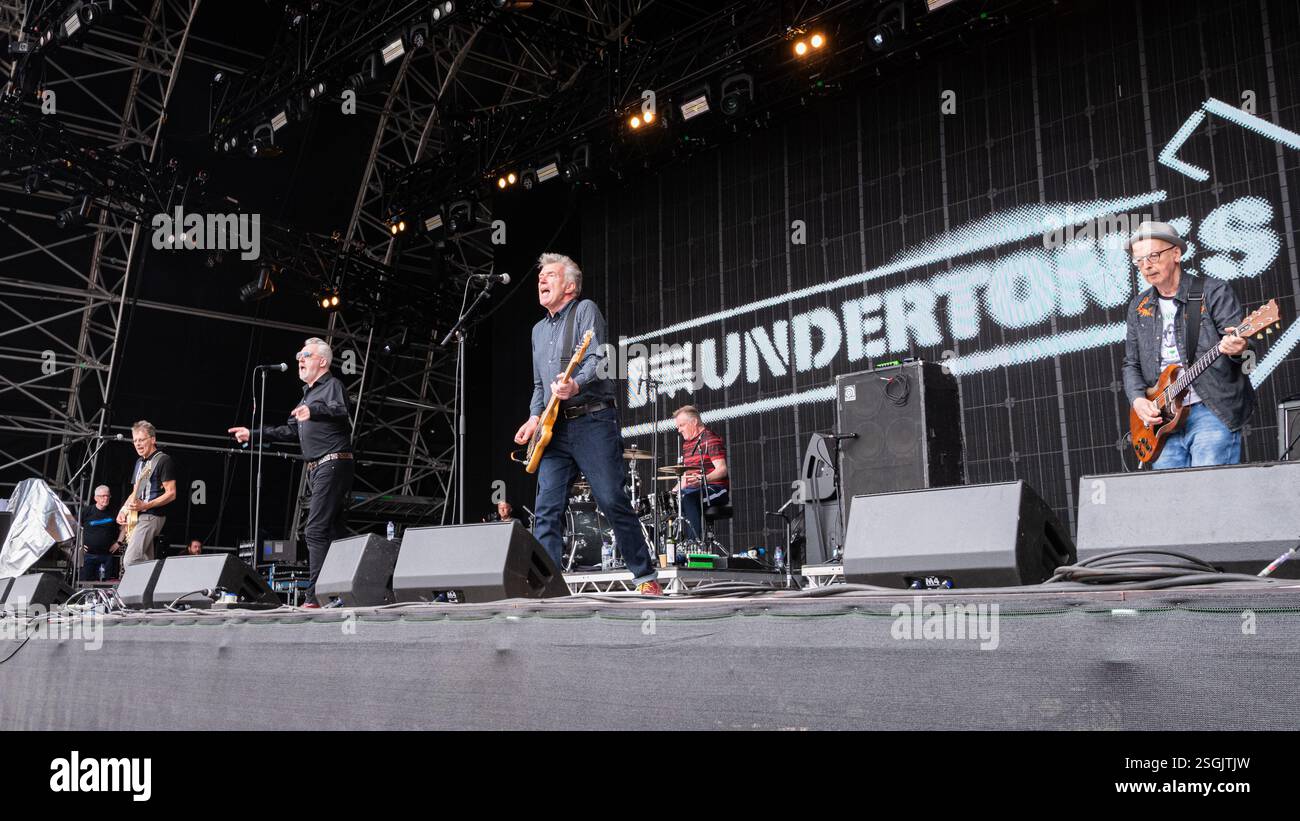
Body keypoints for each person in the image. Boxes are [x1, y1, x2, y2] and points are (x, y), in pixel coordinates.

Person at [513, 252, 662, 595]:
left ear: (569, 286)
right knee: (546, 510)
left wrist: (575, 385)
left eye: (549, 275)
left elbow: (600, 358)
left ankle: (644, 576)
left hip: (592, 420)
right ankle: (548, 589)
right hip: (554, 429)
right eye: (540, 277)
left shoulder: (584, 310)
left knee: (611, 499)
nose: (542, 280)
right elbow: (540, 385)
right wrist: (535, 418)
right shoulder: (537, 331)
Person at [228, 337, 353, 608]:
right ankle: (359, 581)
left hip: (333, 462)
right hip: (318, 468)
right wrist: (254, 434)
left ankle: (315, 597)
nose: (300, 359)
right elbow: (289, 431)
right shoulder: (306, 394)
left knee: (315, 530)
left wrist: (314, 410)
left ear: (322, 361)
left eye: (306, 354)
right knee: (334, 532)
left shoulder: (332, 386)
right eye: (299, 355)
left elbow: (340, 410)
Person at [1122, 221, 1255, 469]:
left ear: (1176, 253)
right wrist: (1138, 400)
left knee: (1211, 497)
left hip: (1211, 411)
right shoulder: (1138, 307)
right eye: (1139, 261)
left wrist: (1240, 350)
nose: (1146, 266)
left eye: (1153, 255)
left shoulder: (1213, 292)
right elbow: (1131, 363)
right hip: (1162, 423)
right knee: (1173, 503)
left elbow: (1248, 355)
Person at [116, 421, 177, 566]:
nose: (137, 444)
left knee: (130, 560)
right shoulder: (139, 462)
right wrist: (123, 510)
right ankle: (149, 589)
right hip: (138, 515)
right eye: (135, 440)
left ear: (153, 439)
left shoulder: (163, 460)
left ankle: (132, 589)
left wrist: (146, 505)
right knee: (145, 562)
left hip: (152, 515)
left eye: (141, 440)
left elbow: (171, 493)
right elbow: (135, 492)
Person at [671, 405, 729, 542]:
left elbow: (722, 470)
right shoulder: (687, 445)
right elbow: (686, 476)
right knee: (674, 500)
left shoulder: (710, 438)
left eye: (681, 425)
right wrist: (673, 492)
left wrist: (703, 480)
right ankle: (675, 545)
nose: (679, 430)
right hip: (694, 489)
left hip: (716, 488)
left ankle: (694, 543)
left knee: (688, 498)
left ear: (694, 422)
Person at [81, 485, 123, 581]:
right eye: (103, 496)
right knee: (85, 583)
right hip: (88, 556)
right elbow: (75, 526)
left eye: (108, 496)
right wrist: (79, 544)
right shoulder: (87, 511)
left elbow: (124, 527)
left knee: (103, 584)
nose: (106, 498)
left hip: (105, 556)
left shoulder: (113, 513)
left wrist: (118, 542)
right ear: (96, 498)